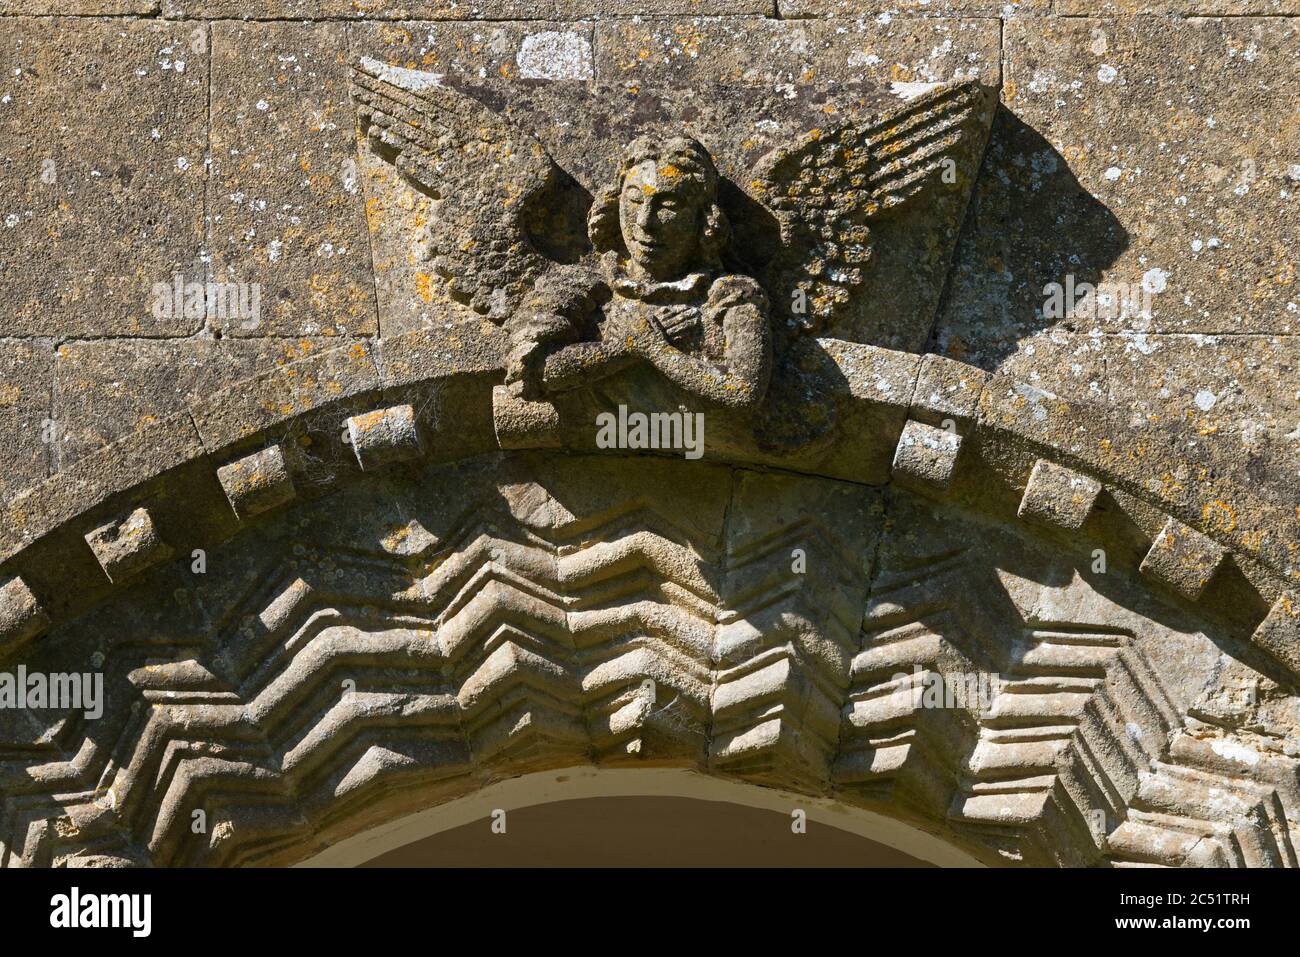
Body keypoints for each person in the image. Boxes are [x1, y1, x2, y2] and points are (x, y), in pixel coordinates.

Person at [503, 135, 772, 410]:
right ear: (615, 202)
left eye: (668, 205)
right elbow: (534, 369)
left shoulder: (730, 294)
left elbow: (743, 390)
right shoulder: (580, 288)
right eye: (634, 200)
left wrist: (658, 351)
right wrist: (627, 348)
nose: (645, 222)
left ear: (703, 217)